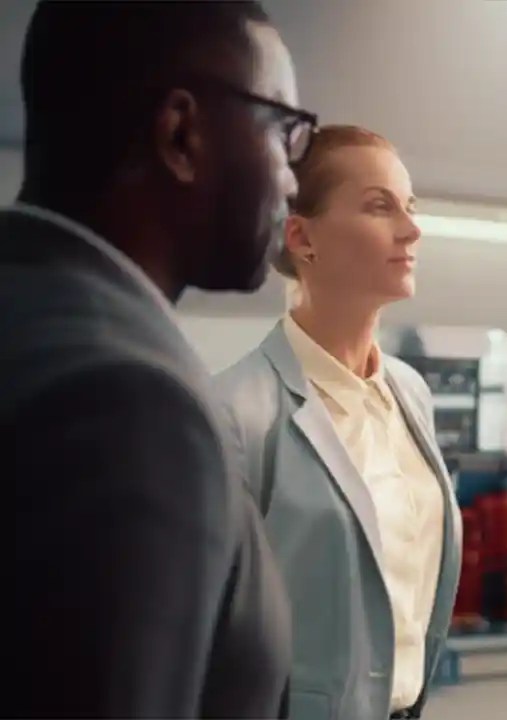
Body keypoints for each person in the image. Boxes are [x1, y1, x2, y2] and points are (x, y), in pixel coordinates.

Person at [0, 2, 314, 717]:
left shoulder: (28, 319)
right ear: (181, 134)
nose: (294, 178)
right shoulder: (129, 404)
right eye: (283, 131)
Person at [215, 125, 462, 720]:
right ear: (302, 237)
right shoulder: (236, 414)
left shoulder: (409, 393)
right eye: (380, 206)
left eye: (410, 206)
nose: (411, 229)